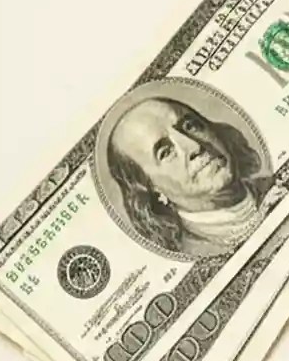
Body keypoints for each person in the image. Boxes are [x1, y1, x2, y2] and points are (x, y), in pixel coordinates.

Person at [106, 97, 273, 256]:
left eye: (189, 126)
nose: (194, 146)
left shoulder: (276, 183)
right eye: (165, 152)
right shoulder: (193, 253)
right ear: (150, 187)